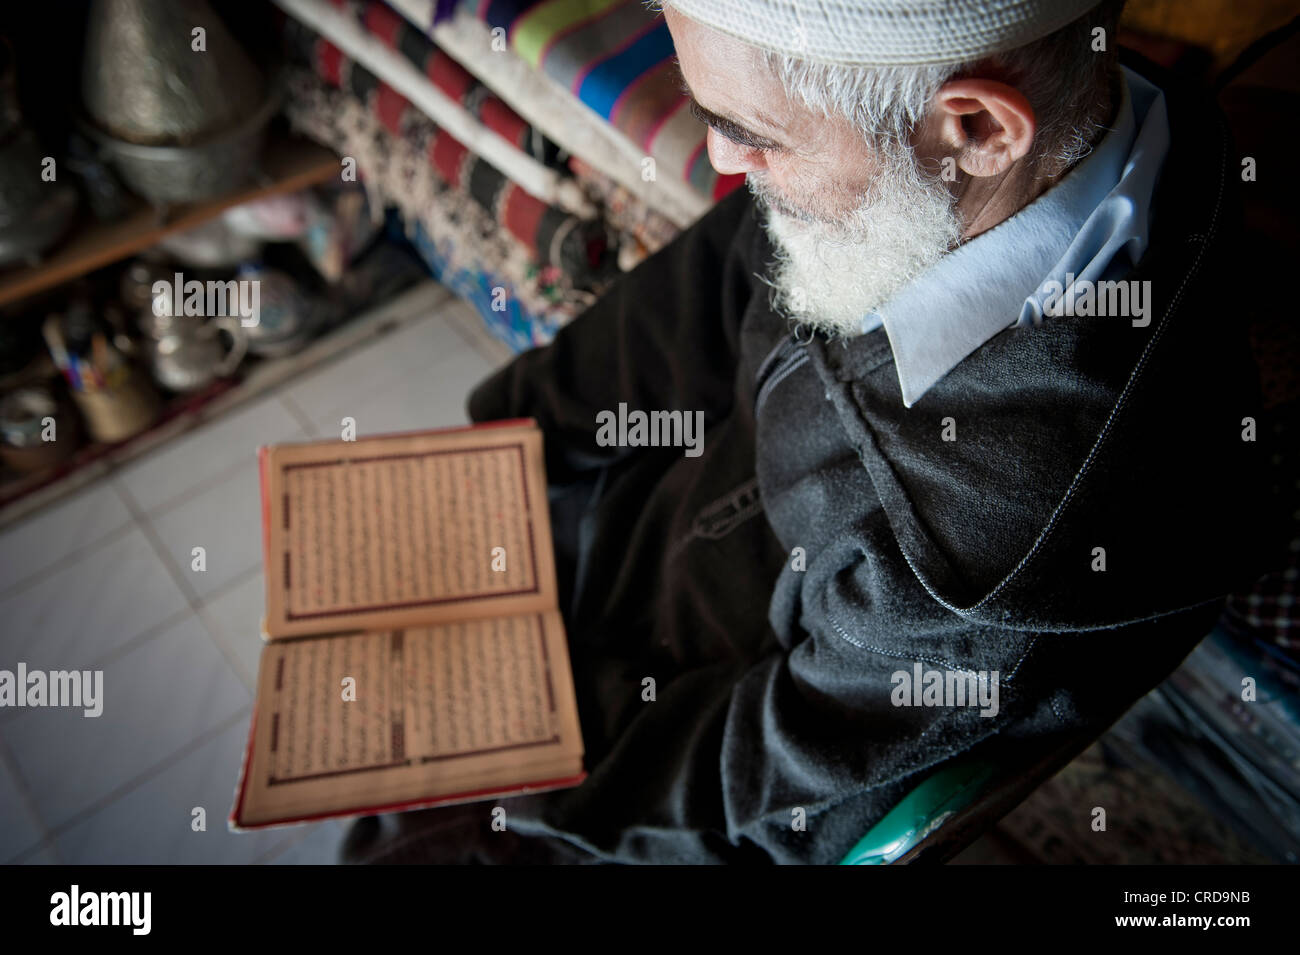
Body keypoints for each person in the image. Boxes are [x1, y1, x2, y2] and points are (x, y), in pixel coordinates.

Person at [344, 0, 1266, 864]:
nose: (722, 159)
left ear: (979, 128)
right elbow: (708, 289)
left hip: (660, 725)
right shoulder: (1074, 114)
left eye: (752, 136)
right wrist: (503, 447)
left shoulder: (980, 557)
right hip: (656, 528)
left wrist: (520, 732)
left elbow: (769, 781)